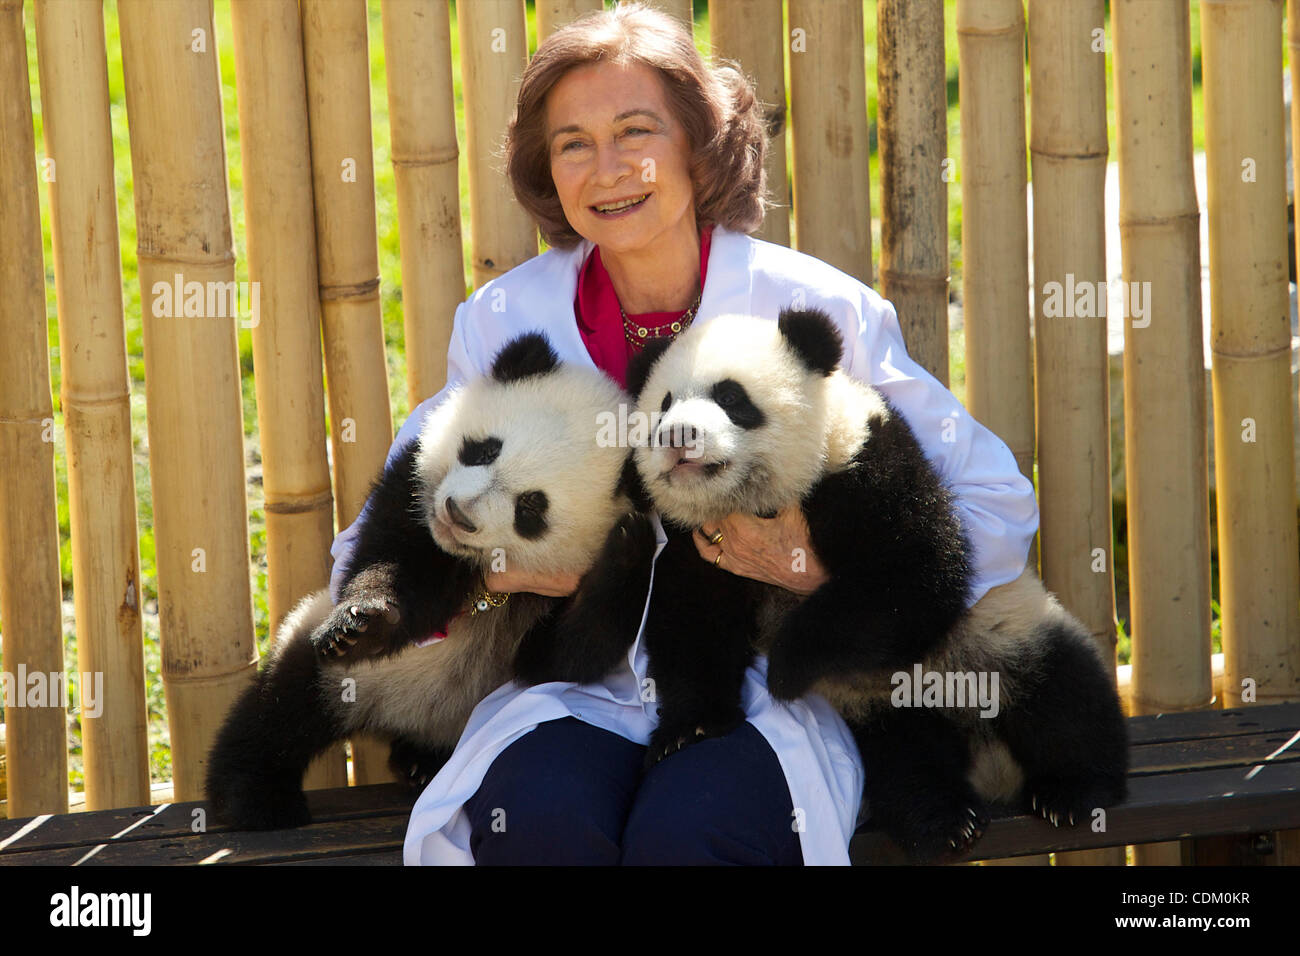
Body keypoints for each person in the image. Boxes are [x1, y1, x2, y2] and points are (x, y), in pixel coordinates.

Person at [329, 2, 1037, 865]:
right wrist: (507, 573)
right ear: (547, 173)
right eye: (573, 143)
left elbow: (995, 502)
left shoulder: (814, 312)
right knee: (543, 820)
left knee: (693, 832)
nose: (609, 168)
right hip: (572, 681)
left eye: (638, 131)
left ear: (701, 150)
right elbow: (372, 551)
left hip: (765, 687)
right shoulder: (506, 325)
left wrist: (813, 570)